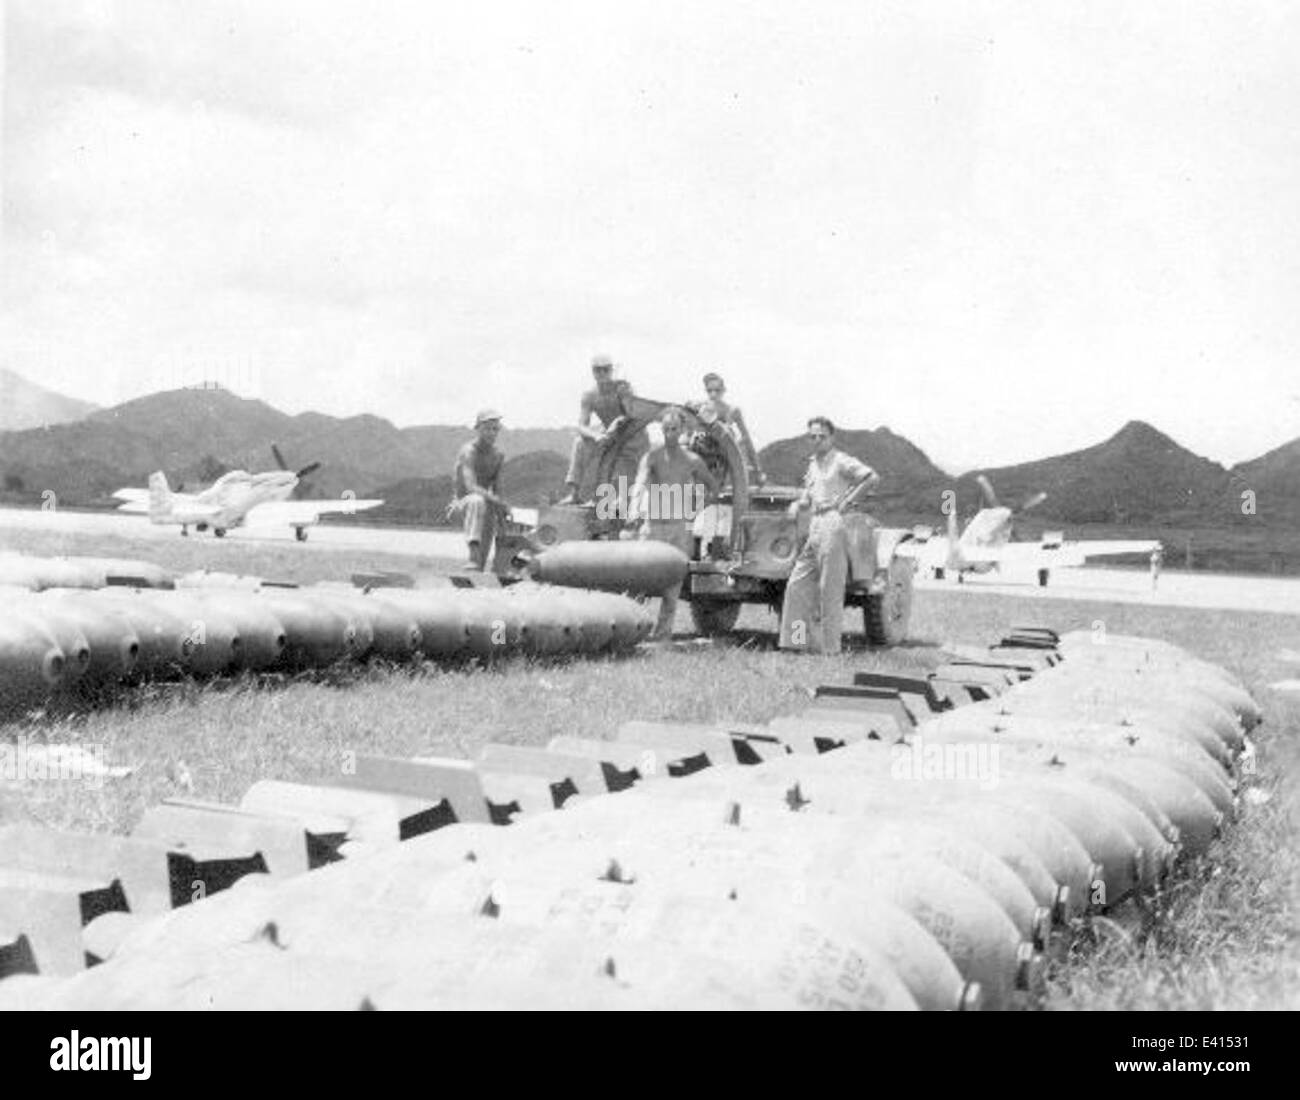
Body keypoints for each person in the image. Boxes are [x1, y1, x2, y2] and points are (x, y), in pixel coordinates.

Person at [778, 416, 879, 655]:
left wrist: (848, 501)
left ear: (831, 437)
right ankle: (796, 642)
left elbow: (871, 477)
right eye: (812, 437)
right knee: (797, 585)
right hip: (814, 523)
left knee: (829, 590)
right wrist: (799, 504)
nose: (816, 440)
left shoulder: (840, 460)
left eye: (821, 436)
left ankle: (829, 649)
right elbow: (809, 493)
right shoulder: (813, 463)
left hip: (834, 524)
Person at [634, 407, 719, 641]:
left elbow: (713, 487)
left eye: (674, 429)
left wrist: (696, 510)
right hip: (652, 527)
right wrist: (635, 505)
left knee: (672, 589)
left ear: (682, 430)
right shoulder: (652, 455)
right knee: (638, 581)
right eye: (666, 429)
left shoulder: (692, 460)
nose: (670, 434)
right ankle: (632, 630)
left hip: (678, 529)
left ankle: (662, 636)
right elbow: (640, 481)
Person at [559, 355, 634, 505]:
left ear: (611, 370)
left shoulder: (622, 389)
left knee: (618, 450)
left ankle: (612, 496)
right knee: (580, 443)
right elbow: (581, 425)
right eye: (597, 370)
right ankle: (575, 493)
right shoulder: (590, 395)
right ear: (593, 372)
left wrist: (615, 426)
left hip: (629, 433)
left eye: (605, 370)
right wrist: (595, 436)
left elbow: (630, 415)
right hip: (606, 433)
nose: (601, 374)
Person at [448, 410, 508, 571]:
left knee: (478, 567)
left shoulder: (498, 455)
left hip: (485, 508)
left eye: (495, 429)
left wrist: (502, 509)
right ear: (478, 429)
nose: (491, 433)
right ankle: (473, 553)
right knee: (477, 500)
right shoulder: (468, 451)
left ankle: (496, 565)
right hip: (462, 505)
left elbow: (498, 487)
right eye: (487, 428)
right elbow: (471, 486)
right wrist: (496, 500)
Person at [690, 372, 765, 485]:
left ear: (723, 390)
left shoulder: (732, 411)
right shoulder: (701, 407)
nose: (713, 394)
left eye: (717, 390)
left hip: (721, 458)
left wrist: (758, 471)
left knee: (730, 434)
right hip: (701, 455)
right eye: (709, 391)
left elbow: (747, 440)